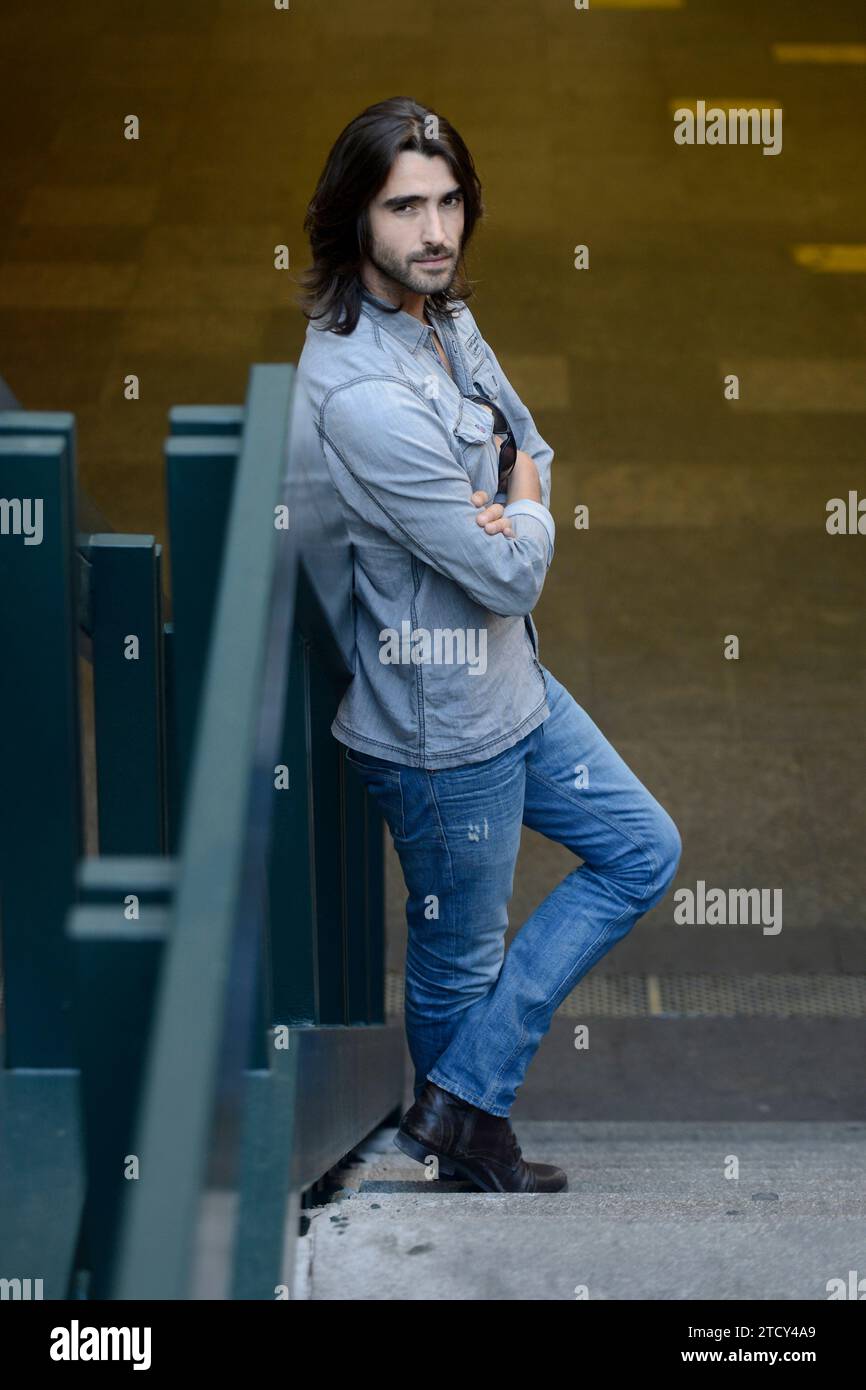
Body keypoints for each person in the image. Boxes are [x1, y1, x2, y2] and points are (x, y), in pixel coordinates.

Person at [296, 97, 681, 1193]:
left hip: (512, 682)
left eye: (449, 200)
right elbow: (511, 564)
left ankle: (457, 1103)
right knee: (457, 955)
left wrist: (510, 494)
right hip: (439, 727)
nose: (435, 231)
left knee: (641, 848)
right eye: (404, 206)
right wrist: (513, 502)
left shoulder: (440, 315)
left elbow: (530, 441)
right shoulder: (364, 392)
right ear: (352, 219)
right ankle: (469, 1141)